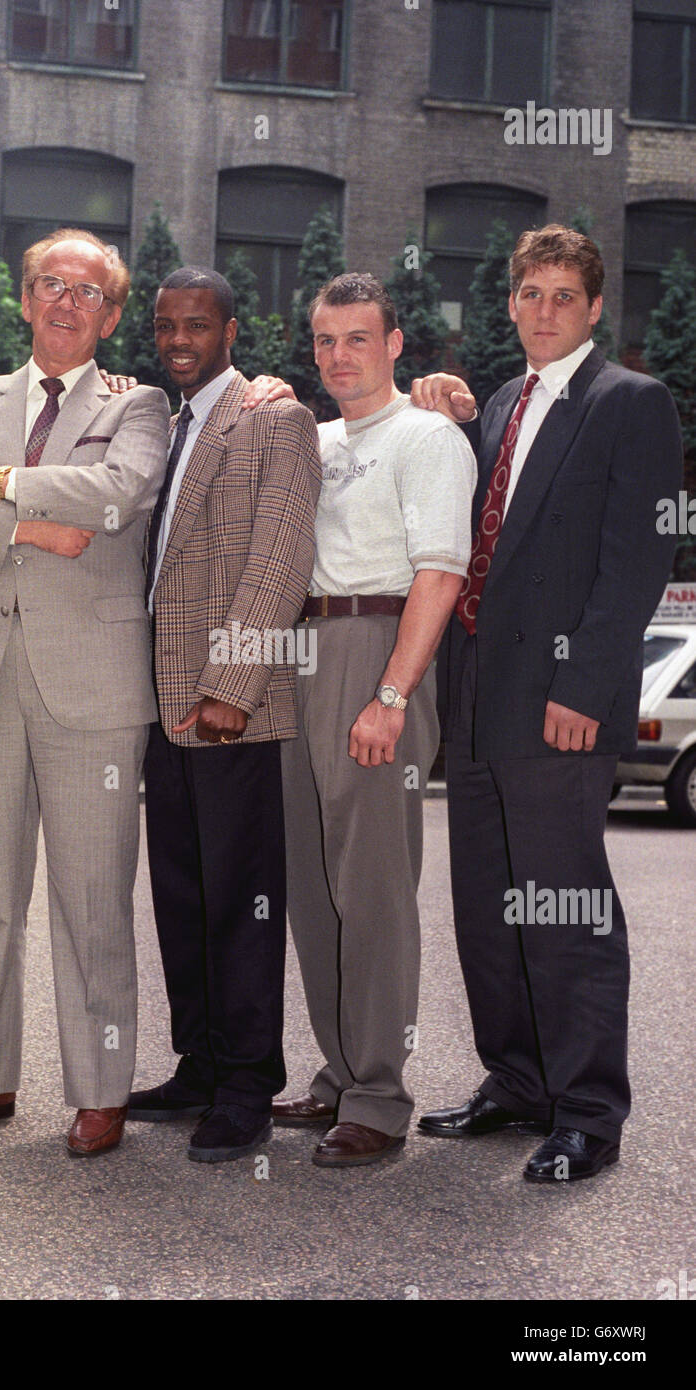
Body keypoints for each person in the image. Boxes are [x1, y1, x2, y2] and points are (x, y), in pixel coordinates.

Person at [411, 224, 683, 1182]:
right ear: (512, 300)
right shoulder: (498, 407)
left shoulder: (631, 403)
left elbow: (636, 560)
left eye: (565, 295)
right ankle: (518, 1082)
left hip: (561, 697)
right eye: (531, 293)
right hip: (480, 695)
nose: (544, 310)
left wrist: (586, 685)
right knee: (487, 906)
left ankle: (588, 1111)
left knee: (565, 910)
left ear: (597, 307)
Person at [0, 228, 170, 1157]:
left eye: (88, 292)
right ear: (25, 299)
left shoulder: (142, 407)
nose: (66, 301)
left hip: (91, 687)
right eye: (50, 284)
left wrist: (4, 483)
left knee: (94, 900)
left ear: (112, 313)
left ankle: (101, 1090)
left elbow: (118, 495)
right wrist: (28, 531)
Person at [242, 273, 476, 1166]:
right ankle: (339, 1073)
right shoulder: (317, 438)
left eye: (358, 338)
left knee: (373, 887)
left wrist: (391, 695)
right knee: (313, 886)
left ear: (395, 344)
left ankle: (380, 1097)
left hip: (376, 649)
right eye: (325, 341)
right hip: (300, 654)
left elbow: (441, 574)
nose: (340, 356)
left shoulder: (428, 436)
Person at [126, 267, 321, 1163]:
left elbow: (279, 558)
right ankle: (200, 1063)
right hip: (161, 709)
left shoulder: (273, 417)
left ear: (230, 331)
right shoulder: (165, 426)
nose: (177, 339)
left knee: (242, 904)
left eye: (196, 325)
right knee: (182, 896)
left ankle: (247, 1083)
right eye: (166, 325)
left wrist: (229, 689)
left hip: (230, 707)